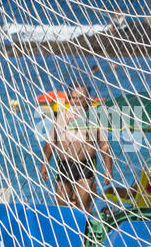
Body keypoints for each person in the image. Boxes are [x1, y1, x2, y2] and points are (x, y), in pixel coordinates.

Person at [40, 82, 112, 212]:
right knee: (61, 207)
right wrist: (44, 163)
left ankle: (82, 230)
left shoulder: (93, 119)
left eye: (78, 98)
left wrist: (108, 169)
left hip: (85, 166)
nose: (75, 101)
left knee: (82, 207)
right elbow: (51, 142)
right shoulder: (62, 117)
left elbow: (104, 145)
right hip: (64, 165)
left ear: (87, 100)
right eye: (72, 98)